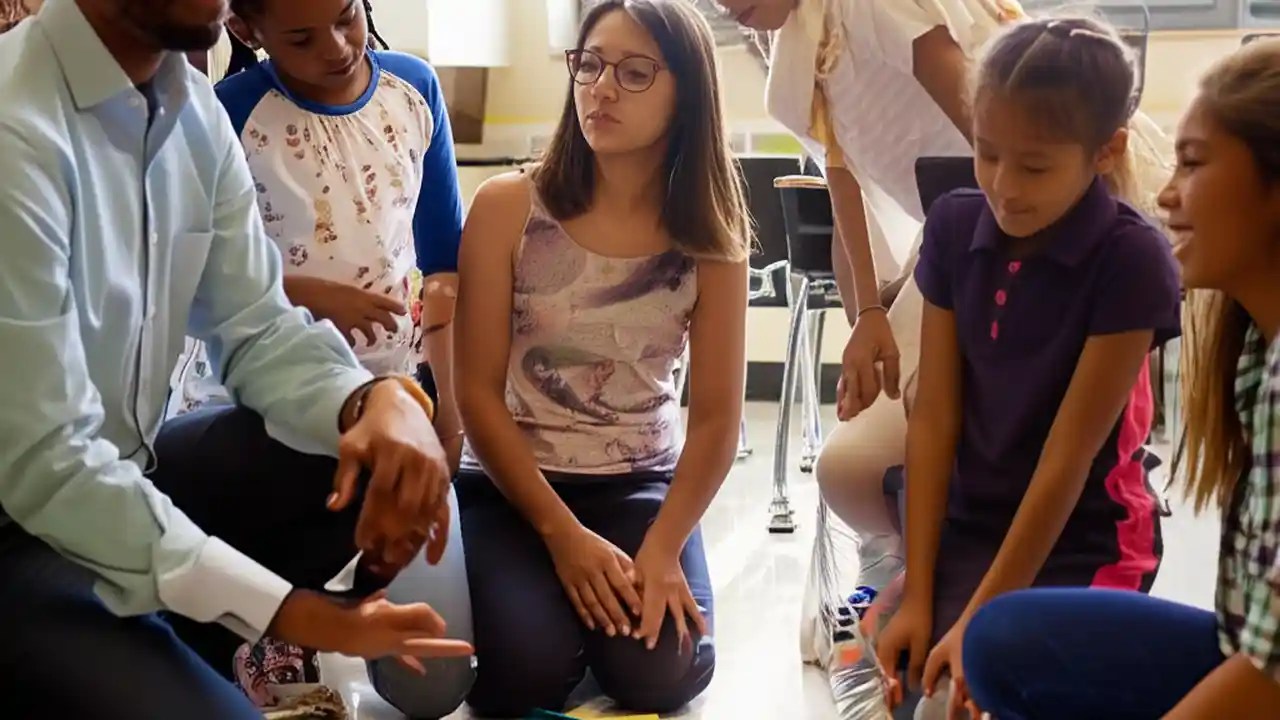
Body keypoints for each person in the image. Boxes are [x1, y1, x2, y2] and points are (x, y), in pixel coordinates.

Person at [0, 0, 473, 718]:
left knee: (349, 452)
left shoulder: (188, 104)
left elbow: (256, 325)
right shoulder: (16, 128)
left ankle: (171, 642)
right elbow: (46, 464)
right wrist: (290, 612)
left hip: (127, 478)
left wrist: (374, 404)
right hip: (22, 531)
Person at [716, 0, 1175, 593]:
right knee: (859, 464)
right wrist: (870, 313)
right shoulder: (797, 42)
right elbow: (840, 168)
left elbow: (995, 133)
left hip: (1025, 240)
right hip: (957, 238)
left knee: (1022, 434)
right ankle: (916, 571)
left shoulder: (871, 9)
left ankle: (1088, 513)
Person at [866, 16, 1181, 718]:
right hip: (971, 520)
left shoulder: (1132, 259)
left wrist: (979, 618)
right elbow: (936, 418)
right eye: (986, 154)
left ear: (1106, 152)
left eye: (1034, 166)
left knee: (999, 679)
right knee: (923, 687)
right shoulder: (952, 226)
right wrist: (920, 593)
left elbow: (1066, 461)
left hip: (1087, 535)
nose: (1003, 187)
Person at [961, 39, 1280, 720]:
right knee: (1002, 640)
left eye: (1192, 164)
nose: (1165, 193)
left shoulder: (1127, 262)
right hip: (1251, 658)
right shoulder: (1257, 346)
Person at [453, 0, 749, 715]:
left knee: (663, 672)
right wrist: (562, 537)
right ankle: (560, 620)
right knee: (520, 677)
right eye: (589, 64)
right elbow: (476, 397)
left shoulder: (711, 237)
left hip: (637, 485)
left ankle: (589, 622)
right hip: (511, 489)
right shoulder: (506, 207)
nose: (601, 87)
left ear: (688, 92)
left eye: (635, 71)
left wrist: (664, 546)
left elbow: (714, 422)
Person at [180, 0, 472, 715]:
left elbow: (445, 268)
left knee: (434, 672)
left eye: (347, 18)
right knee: (283, 493)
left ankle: (309, 616)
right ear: (245, 31)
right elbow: (195, 273)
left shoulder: (413, 90)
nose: (339, 47)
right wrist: (304, 294)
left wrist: (452, 411)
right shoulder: (228, 111)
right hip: (256, 402)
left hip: (394, 389)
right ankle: (259, 632)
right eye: (303, 38)